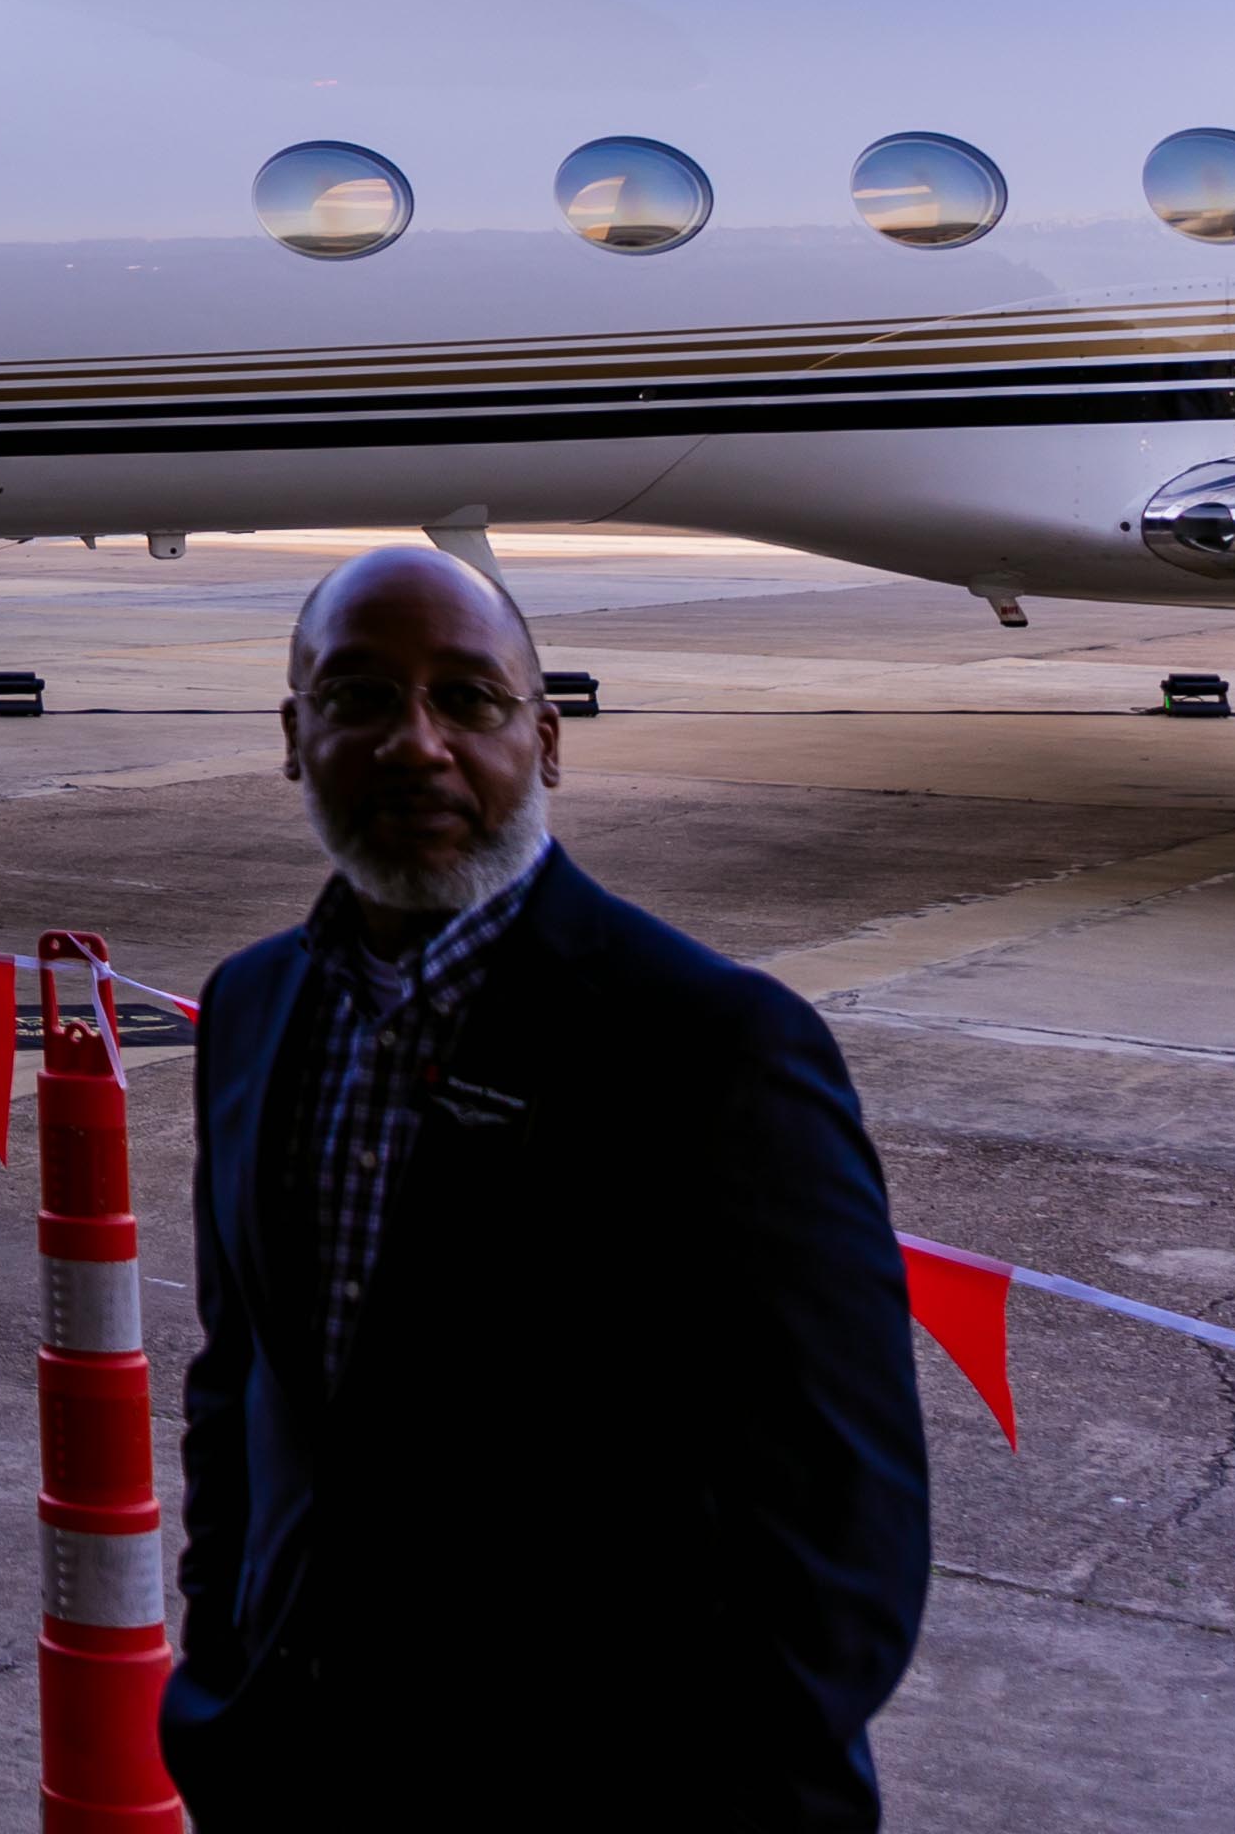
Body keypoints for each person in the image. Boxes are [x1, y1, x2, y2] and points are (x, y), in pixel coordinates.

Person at [161, 545, 930, 1828]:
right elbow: (239, 1390)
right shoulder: (250, 1009)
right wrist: (228, 1685)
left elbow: (841, 1549)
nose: (416, 744)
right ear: (292, 738)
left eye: (469, 699)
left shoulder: (715, 1047)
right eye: (357, 698)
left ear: (548, 742)